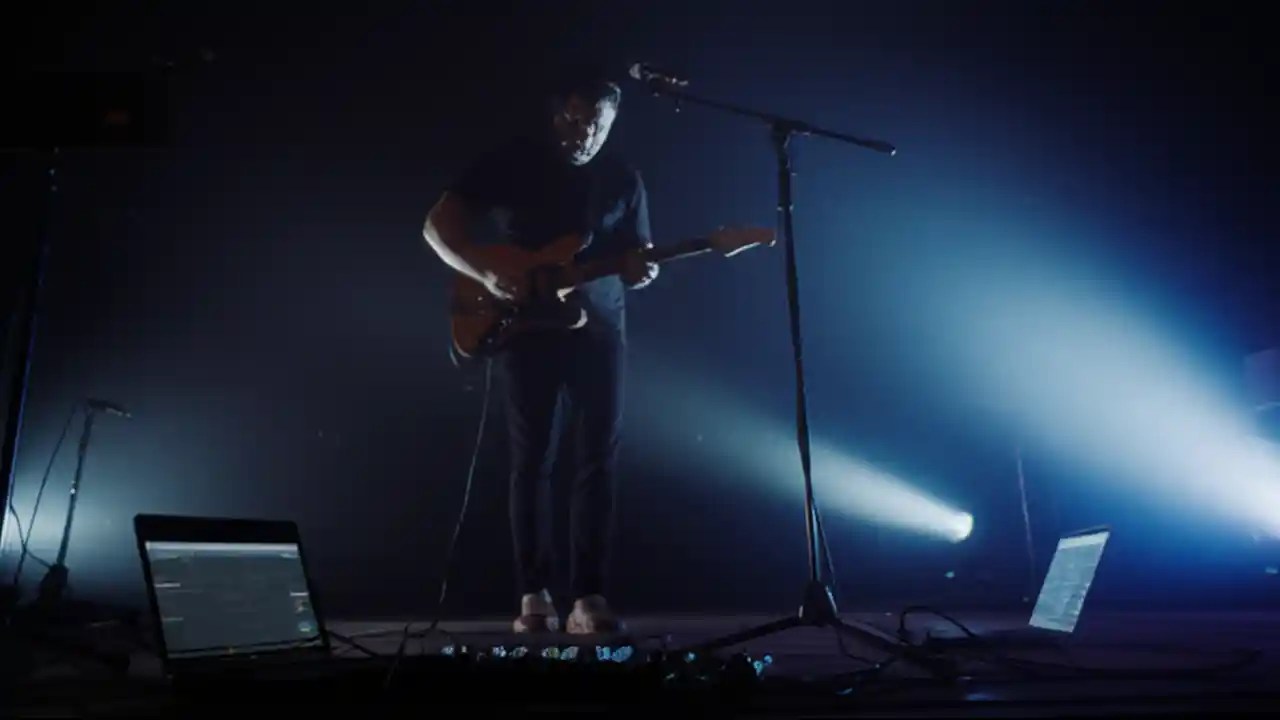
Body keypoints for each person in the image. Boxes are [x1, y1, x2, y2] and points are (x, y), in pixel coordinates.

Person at [421, 65, 658, 635]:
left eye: (598, 127)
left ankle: (590, 595)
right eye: (577, 123)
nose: (585, 136)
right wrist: (486, 273)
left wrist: (644, 270)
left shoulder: (623, 177)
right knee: (533, 460)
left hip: (601, 328)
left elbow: (638, 258)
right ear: (558, 115)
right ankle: (534, 593)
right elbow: (437, 227)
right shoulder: (513, 160)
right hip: (526, 326)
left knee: (599, 456)